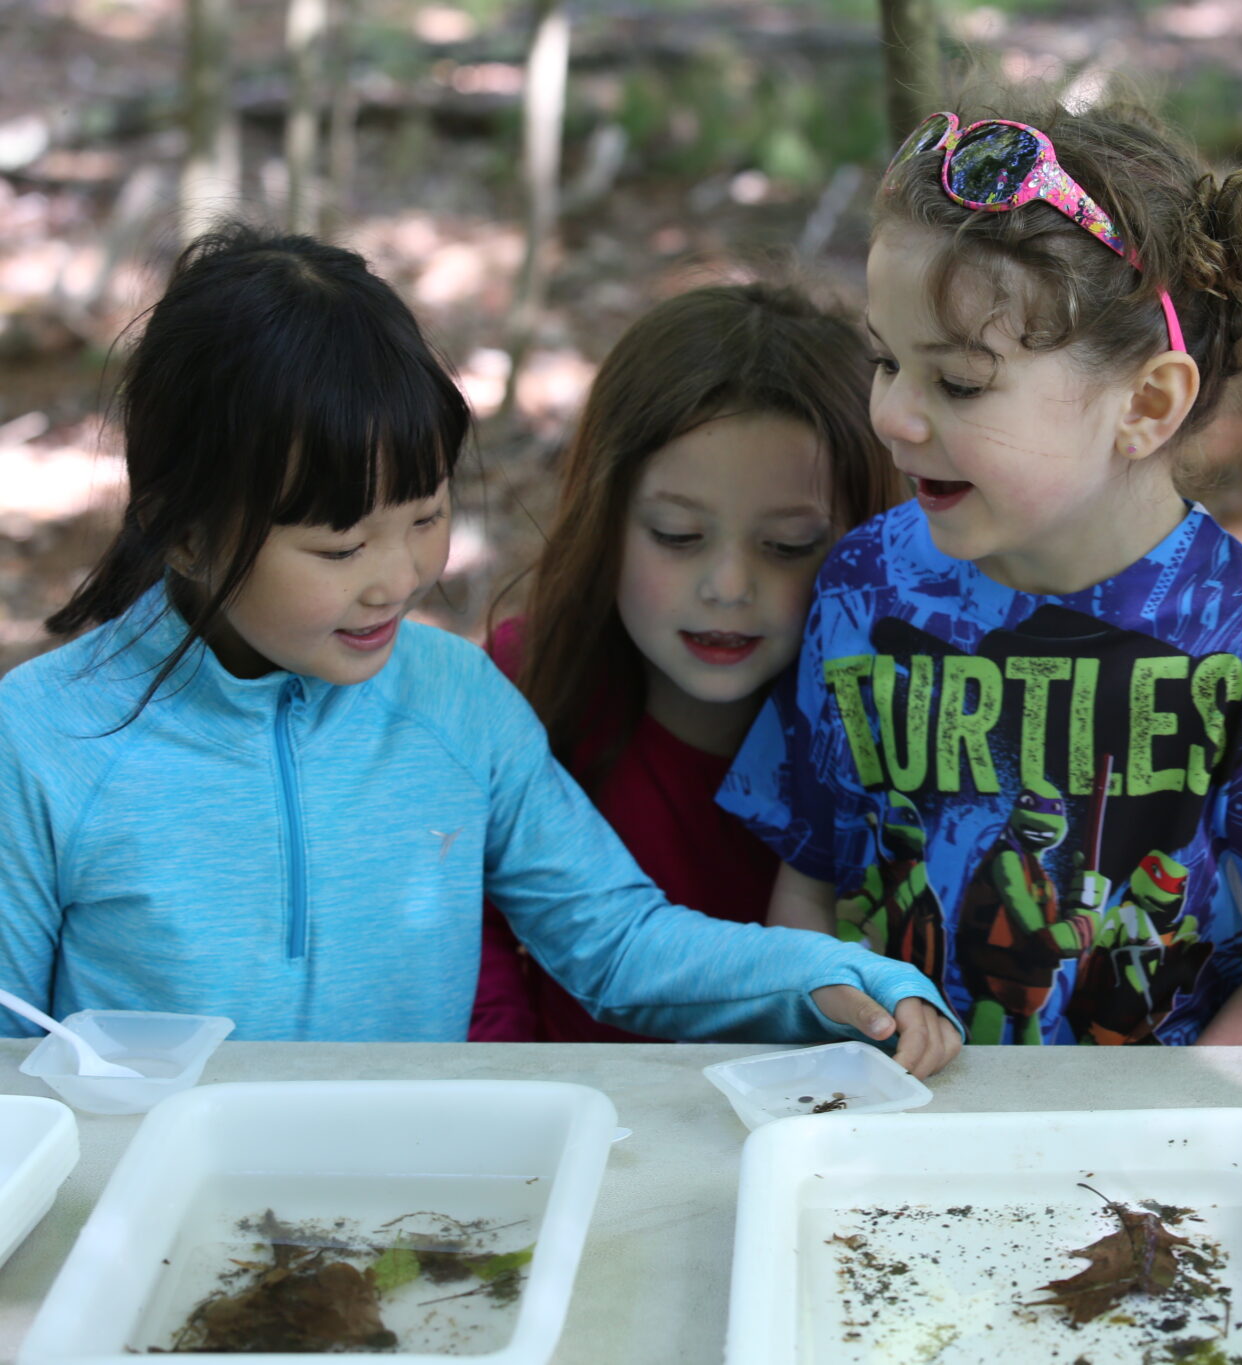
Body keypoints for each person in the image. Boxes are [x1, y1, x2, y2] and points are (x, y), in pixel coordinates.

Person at [0, 225, 959, 1075]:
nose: (397, 578)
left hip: (408, 1197)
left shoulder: (457, 701)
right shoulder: (42, 743)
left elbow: (617, 941)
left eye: (425, 519)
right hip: (139, 1208)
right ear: (184, 531)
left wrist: (831, 974)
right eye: (340, 548)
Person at [717, 95, 1242, 1046]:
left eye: (959, 382)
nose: (892, 417)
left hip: (1143, 1138)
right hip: (883, 1118)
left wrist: (1181, 1117)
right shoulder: (862, 588)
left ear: (1147, 405)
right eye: (886, 361)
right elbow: (809, 876)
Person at [469, 283, 897, 1042]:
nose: (727, 586)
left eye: (789, 546)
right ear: (605, 519)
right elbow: (468, 929)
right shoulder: (521, 686)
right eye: (677, 534)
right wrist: (512, 1077)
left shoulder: (906, 721)